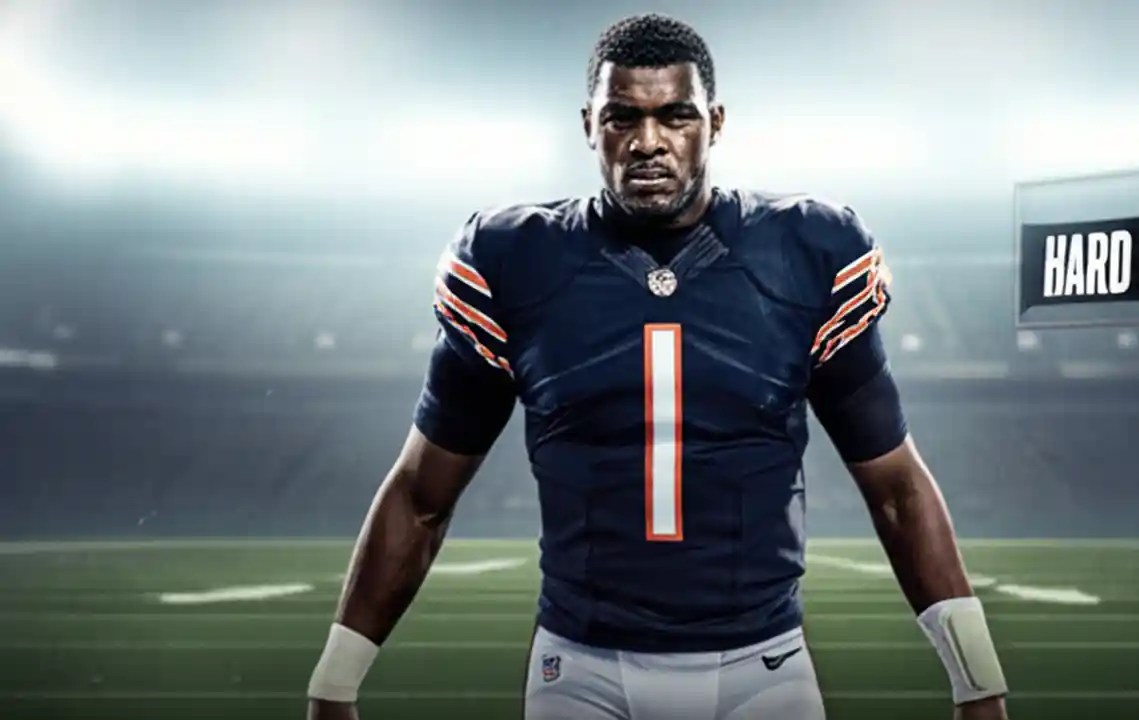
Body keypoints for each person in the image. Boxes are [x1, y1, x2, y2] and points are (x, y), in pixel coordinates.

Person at [307, 13, 1008, 720]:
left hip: (763, 666)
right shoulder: (512, 261)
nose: (649, 143)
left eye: (676, 116)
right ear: (589, 124)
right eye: (623, 118)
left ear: (716, 122)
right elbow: (422, 496)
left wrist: (977, 682)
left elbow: (896, 488)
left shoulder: (807, 252)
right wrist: (334, 683)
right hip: (580, 668)